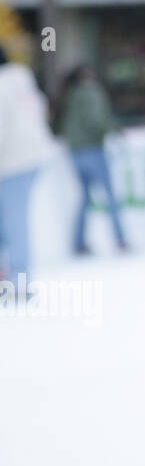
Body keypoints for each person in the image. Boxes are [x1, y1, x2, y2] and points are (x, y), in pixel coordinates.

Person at [0, 46, 59, 291]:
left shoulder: (4, 85)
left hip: (12, 161)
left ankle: (20, 281)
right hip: (32, 156)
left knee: (13, 223)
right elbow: (42, 109)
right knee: (11, 221)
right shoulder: (21, 77)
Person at [56, 64, 129, 255]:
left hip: (75, 151)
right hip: (93, 149)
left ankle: (78, 242)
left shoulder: (69, 95)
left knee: (84, 199)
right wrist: (113, 128)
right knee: (110, 196)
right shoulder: (90, 92)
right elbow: (96, 119)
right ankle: (120, 240)